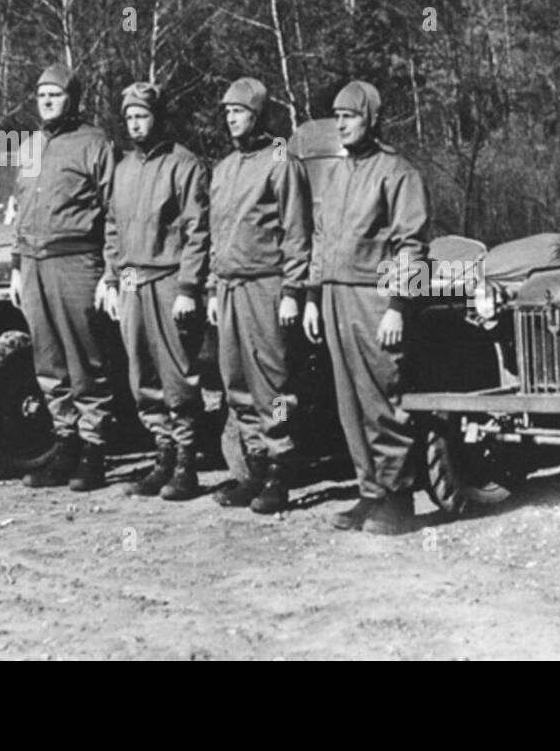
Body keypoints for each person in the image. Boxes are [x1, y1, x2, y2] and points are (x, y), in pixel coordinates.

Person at [304, 80, 430, 535]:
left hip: (374, 298)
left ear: (370, 119)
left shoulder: (396, 172)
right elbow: (320, 238)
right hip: (335, 296)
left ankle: (399, 498)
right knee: (348, 402)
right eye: (336, 116)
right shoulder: (337, 173)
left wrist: (399, 304)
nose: (340, 123)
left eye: (350, 116)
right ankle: (369, 492)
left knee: (381, 396)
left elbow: (412, 245)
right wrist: (313, 298)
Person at [206, 78, 312, 515]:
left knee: (275, 385)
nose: (231, 117)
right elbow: (216, 234)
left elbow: (296, 232)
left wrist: (292, 290)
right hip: (229, 287)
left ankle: (282, 467)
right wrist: (213, 287)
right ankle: (253, 467)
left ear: (259, 114)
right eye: (227, 110)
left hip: (267, 285)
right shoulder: (225, 167)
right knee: (235, 382)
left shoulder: (281, 161)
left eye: (240, 110)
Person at [100, 82, 210, 501]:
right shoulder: (123, 168)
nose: (135, 125)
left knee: (177, 372)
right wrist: (112, 279)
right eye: (129, 118)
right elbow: (112, 226)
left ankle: (186, 461)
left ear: (158, 117)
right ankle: (161, 453)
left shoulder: (185, 165)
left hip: (168, 278)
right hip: (131, 279)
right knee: (140, 373)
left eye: (142, 116)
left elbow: (198, 231)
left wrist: (188, 287)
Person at [11, 63, 114, 491]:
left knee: (84, 358)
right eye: (41, 95)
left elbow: (114, 211)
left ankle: (95, 450)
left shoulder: (94, 143)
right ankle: (65, 444)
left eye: (55, 94)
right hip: (33, 264)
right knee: (48, 361)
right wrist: (16, 267)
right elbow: (18, 210)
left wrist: (111, 271)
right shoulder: (29, 146)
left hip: (76, 262)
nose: (47, 101)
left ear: (72, 98)